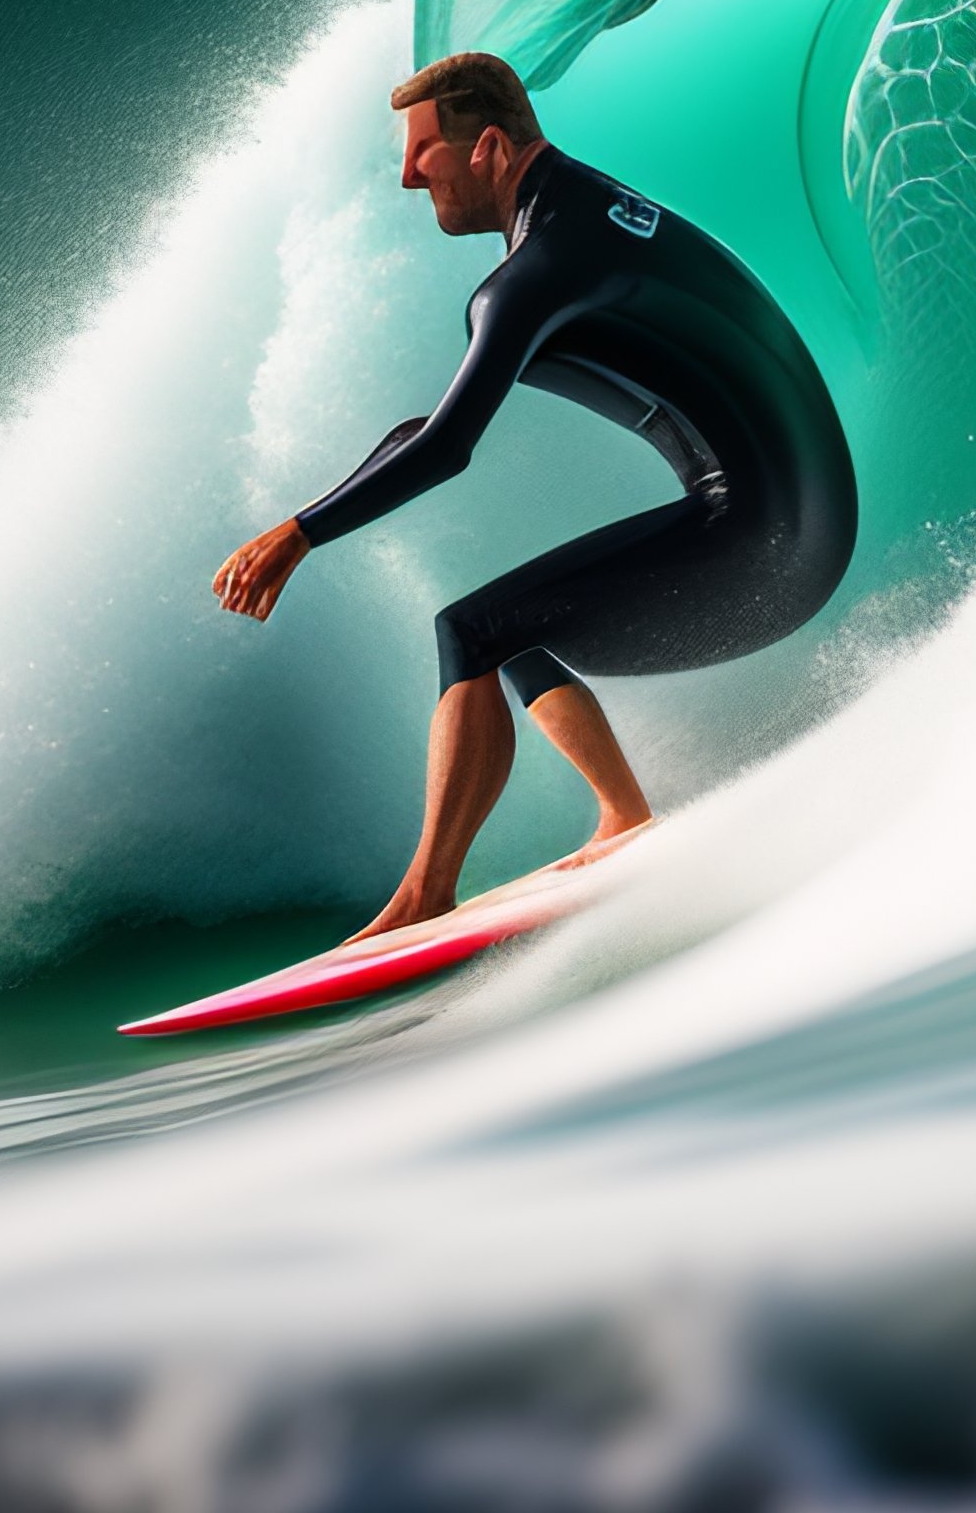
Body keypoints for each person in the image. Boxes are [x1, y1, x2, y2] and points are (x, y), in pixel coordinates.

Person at [212, 51, 856, 938]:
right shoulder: (586, 212)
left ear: (485, 151)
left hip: (768, 543)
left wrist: (301, 534)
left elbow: (446, 449)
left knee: (473, 630)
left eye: (424, 152)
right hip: (804, 523)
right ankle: (623, 816)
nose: (407, 176)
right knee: (514, 619)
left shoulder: (540, 267)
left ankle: (420, 899)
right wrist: (307, 517)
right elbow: (432, 426)